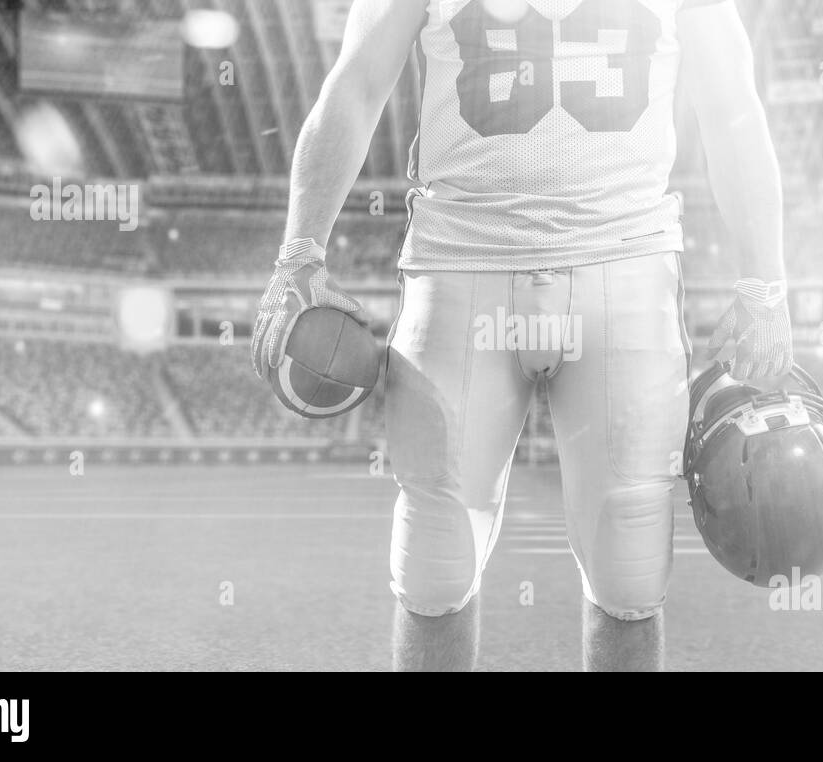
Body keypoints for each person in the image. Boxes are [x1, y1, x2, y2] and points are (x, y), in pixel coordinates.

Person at [252, 0, 792, 671]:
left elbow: (732, 104)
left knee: (629, 572)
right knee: (435, 569)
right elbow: (357, 82)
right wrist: (299, 251)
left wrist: (765, 284)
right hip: (461, 266)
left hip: (620, 267)